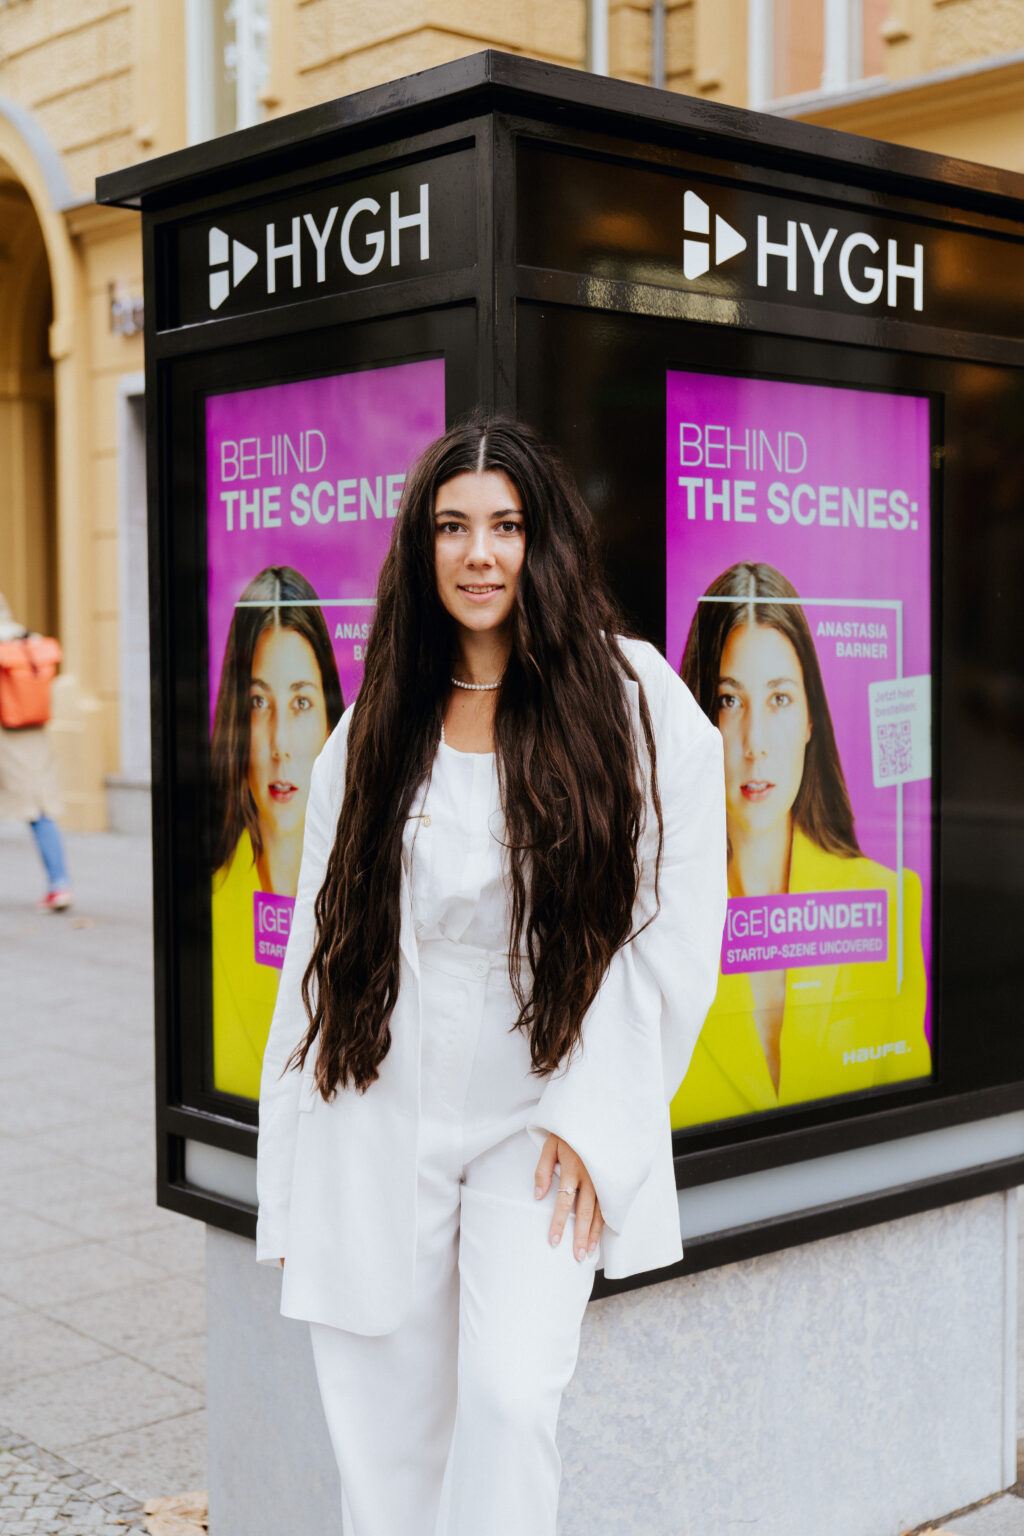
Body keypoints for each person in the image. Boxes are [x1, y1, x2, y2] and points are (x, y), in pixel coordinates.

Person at [255, 415, 727, 1536]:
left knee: (512, 1398)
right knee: (386, 1437)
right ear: (421, 550)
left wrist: (597, 1106)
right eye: (453, 526)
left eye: (506, 526)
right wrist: (293, 1144)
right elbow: (320, 946)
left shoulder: (632, 699)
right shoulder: (377, 721)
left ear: (542, 541)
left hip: (542, 1104)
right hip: (382, 1101)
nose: (480, 554)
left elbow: (675, 910)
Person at [671, 561, 929, 1130]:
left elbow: (904, 1124)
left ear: (812, 715)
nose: (754, 742)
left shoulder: (886, 902)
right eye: (728, 699)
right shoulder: (655, 913)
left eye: (780, 699)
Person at [210, 567, 343, 1099]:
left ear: (332, 722)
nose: (279, 742)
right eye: (258, 702)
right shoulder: (212, 901)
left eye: (302, 702)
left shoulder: (379, 890)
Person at [0, 591, 73, 911]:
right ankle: (60, 884)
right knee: (41, 808)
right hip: (34, 735)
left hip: (6, 735)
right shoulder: (30, 640)